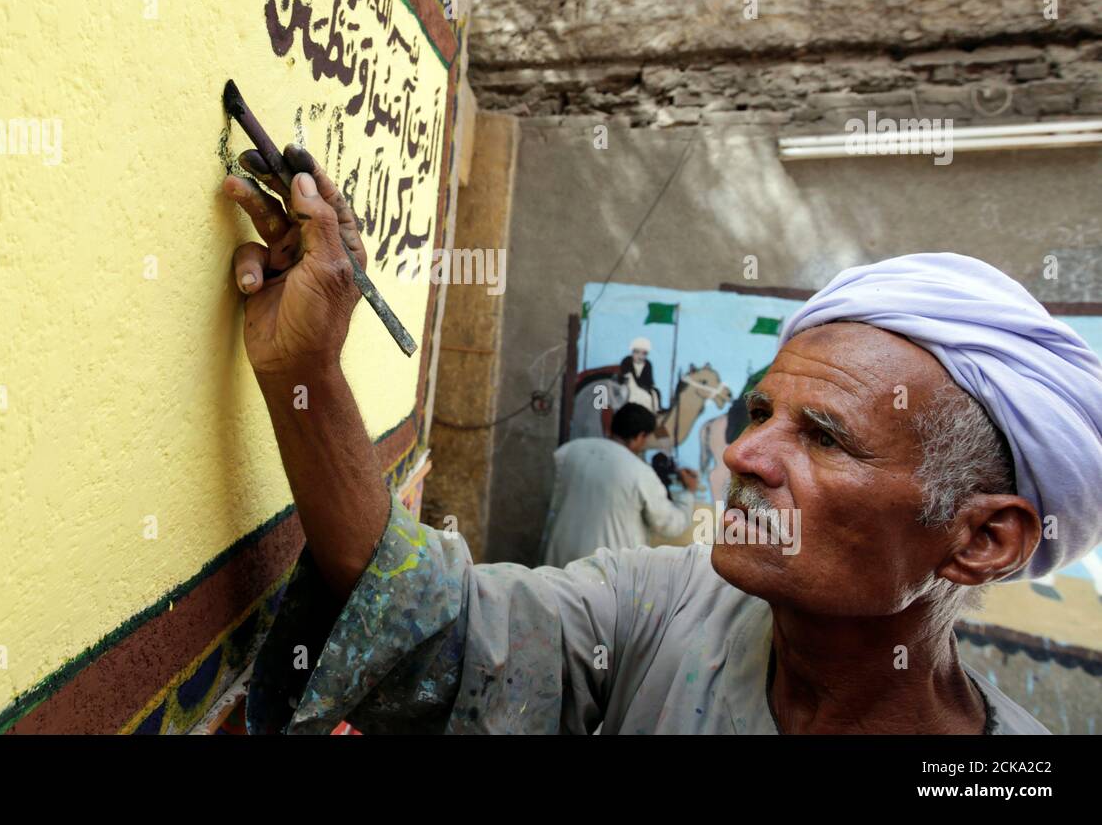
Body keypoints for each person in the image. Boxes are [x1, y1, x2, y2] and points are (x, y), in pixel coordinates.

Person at [220, 153, 1102, 734]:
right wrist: (305, 373)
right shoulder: (670, 602)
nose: (744, 456)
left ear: (983, 539)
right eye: (759, 414)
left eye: (826, 438)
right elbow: (433, 628)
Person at [538, 403, 695, 567]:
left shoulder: (569, 451)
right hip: (603, 572)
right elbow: (668, 525)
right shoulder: (639, 472)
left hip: (559, 562)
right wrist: (688, 493)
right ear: (640, 436)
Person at [618, 338, 660, 411]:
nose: (640, 356)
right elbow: (626, 379)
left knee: (654, 394)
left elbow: (649, 380)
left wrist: (651, 389)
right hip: (628, 387)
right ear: (632, 352)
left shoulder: (648, 364)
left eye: (644, 353)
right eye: (637, 352)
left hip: (644, 387)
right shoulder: (626, 361)